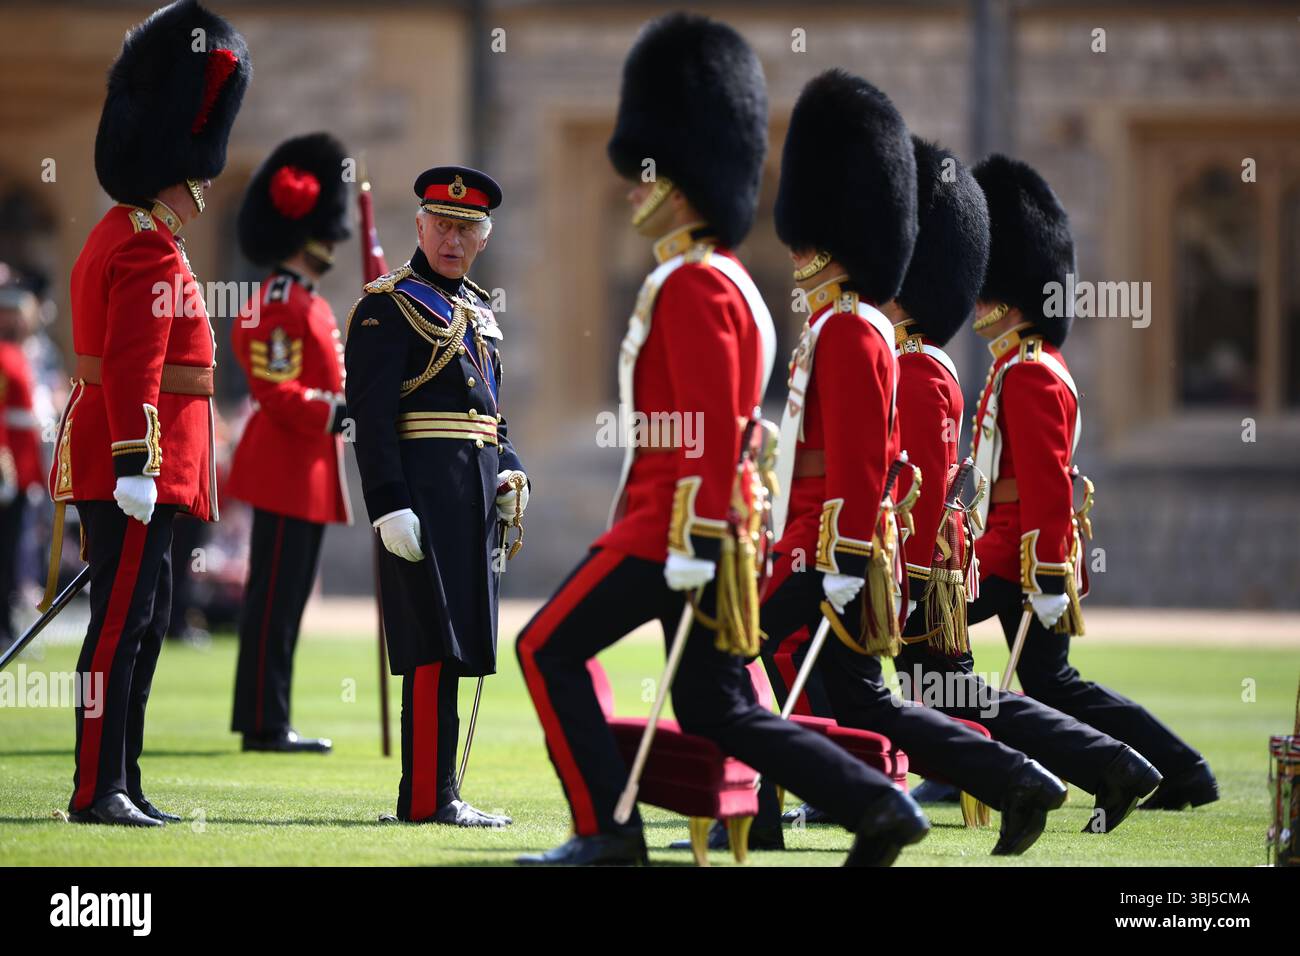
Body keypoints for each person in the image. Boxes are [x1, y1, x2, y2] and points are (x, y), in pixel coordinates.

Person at [514, 14, 928, 868]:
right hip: (697, 534)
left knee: (542, 646)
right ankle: (877, 804)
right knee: (721, 711)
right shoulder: (720, 282)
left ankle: (606, 831)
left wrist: (695, 537)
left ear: (680, 182)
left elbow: (706, 424)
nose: (633, 191)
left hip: (672, 533)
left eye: (644, 179)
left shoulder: (696, 285)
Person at [771, 137, 1163, 840]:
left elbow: (916, 480)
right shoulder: (905, 355)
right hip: (914, 554)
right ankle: (1085, 767)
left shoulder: (918, 368)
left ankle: (853, 790)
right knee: (937, 693)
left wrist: (908, 575)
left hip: (914, 560)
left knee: (929, 690)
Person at [746, 72, 1067, 857]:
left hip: (832, 552)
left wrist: (848, 554)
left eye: (806, 238)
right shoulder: (840, 327)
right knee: (864, 700)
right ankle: (1009, 781)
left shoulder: (854, 332)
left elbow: (862, 456)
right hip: (817, 545)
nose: (794, 253)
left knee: (747, 660)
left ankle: (784, 807)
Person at [45, 0, 249, 827]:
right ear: (174, 169)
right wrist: (136, 462)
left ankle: (121, 778)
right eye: (197, 174)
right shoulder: (140, 243)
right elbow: (134, 361)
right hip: (139, 467)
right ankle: (97, 787)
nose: (205, 188)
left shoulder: (140, 236)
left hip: (154, 470)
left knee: (145, 623)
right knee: (121, 629)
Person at [965, 154, 1214, 817]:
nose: (977, 303)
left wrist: (1046, 575)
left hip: (1017, 557)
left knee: (937, 650)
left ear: (1013, 293)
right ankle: (1173, 770)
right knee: (1050, 682)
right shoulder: (1018, 366)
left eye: (988, 290)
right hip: (1009, 549)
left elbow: (1045, 486)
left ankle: (1154, 768)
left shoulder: (1031, 372)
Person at [345, 165, 524, 826]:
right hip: (420, 493)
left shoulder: (478, 310)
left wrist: (510, 469)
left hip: (473, 496)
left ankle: (443, 790)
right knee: (430, 643)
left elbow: (493, 416)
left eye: (466, 228)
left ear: (484, 237)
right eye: (442, 225)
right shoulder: (385, 307)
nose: (452, 238)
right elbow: (368, 415)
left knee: (458, 643)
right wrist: (388, 502)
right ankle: (427, 797)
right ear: (420, 225)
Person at [227, 133, 354, 753]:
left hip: (308, 469)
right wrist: (344, 414)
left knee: (288, 603)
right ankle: (263, 723)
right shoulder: (277, 301)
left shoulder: (310, 303)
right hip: (285, 466)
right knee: (273, 603)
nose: (335, 241)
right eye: (328, 231)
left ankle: (271, 716)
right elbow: (279, 391)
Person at [0, 271, 44, 650]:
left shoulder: (20, 355)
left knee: (19, 551)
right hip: (9, 468)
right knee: (8, 552)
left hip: (25, 469)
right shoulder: (4, 356)